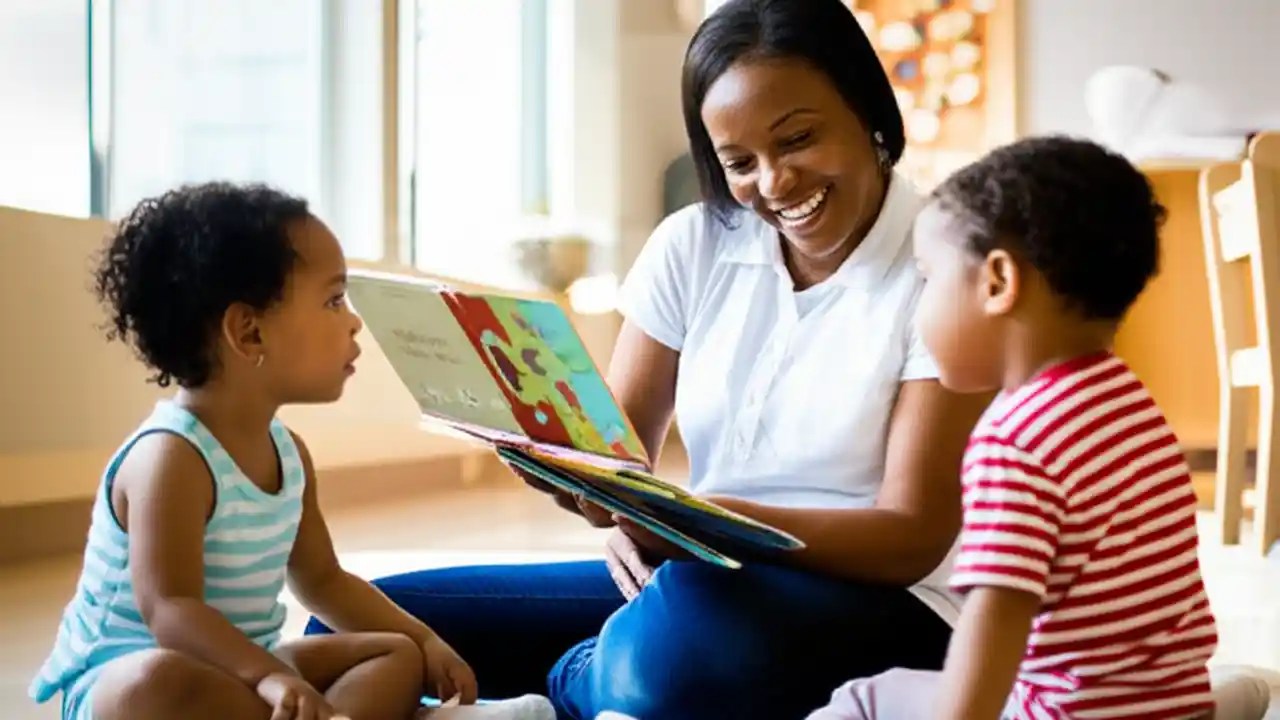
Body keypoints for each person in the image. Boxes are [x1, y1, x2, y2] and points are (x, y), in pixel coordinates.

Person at [304, 1, 990, 718]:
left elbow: (911, 536)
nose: (776, 183)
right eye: (739, 163)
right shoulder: (693, 244)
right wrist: (559, 466)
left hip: (888, 602)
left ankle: (558, 693)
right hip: (700, 575)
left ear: (869, 111)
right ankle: (592, 684)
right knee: (354, 633)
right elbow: (617, 466)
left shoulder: (942, 260)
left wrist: (711, 519)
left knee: (676, 647)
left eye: (799, 140)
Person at [28, 183, 555, 720]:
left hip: (254, 672)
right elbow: (170, 610)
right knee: (152, 682)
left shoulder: (287, 453)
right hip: (140, 679)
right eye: (333, 299)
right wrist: (270, 677)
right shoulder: (171, 457)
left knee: (391, 654)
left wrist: (423, 639)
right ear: (249, 332)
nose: (353, 321)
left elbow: (323, 579)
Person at [806, 136, 1220, 719]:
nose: (920, 305)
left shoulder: (1015, 441)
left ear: (998, 282)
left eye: (928, 279)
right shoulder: (1131, 405)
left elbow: (992, 631)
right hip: (1175, 708)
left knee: (862, 700)